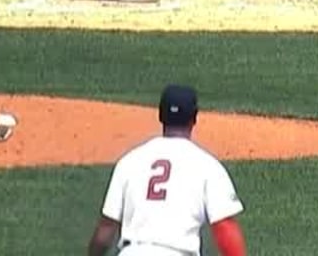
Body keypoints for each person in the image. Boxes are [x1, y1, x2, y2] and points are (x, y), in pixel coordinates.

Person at [87, 85, 247, 256]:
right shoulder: (207, 166)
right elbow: (225, 228)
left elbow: (105, 231)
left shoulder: (129, 161)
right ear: (194, 117)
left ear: (160, 115)